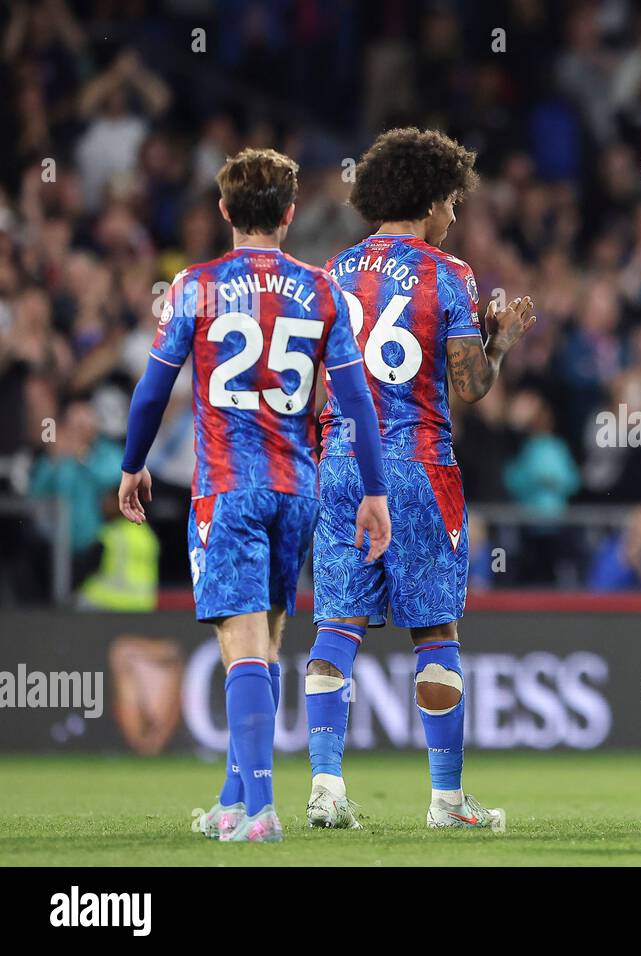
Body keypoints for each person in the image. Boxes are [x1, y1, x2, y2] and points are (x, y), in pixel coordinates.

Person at [118, 147, 391, 843]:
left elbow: (154, 388)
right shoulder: (322, 288)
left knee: (241, 648)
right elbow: (356, 398)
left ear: (223, 212)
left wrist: (133, 463)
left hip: (229, 488)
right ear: (291, 213)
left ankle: (262, 812)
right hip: (297, 488)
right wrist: (375, 492)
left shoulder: (196, 286)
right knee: (265, 648)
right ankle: (234, 801)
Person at [308, 128, 535, 832]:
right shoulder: (449, 273)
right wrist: (499, 341)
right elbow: (471, 387)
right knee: (435, 634)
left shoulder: (334, 272)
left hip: (341, 464)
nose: (457, 217)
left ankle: (325, 788)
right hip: (417, 469)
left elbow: (317, 383)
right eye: (454, 203)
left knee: (335, 627)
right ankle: (445, 801)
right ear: (433, 199)